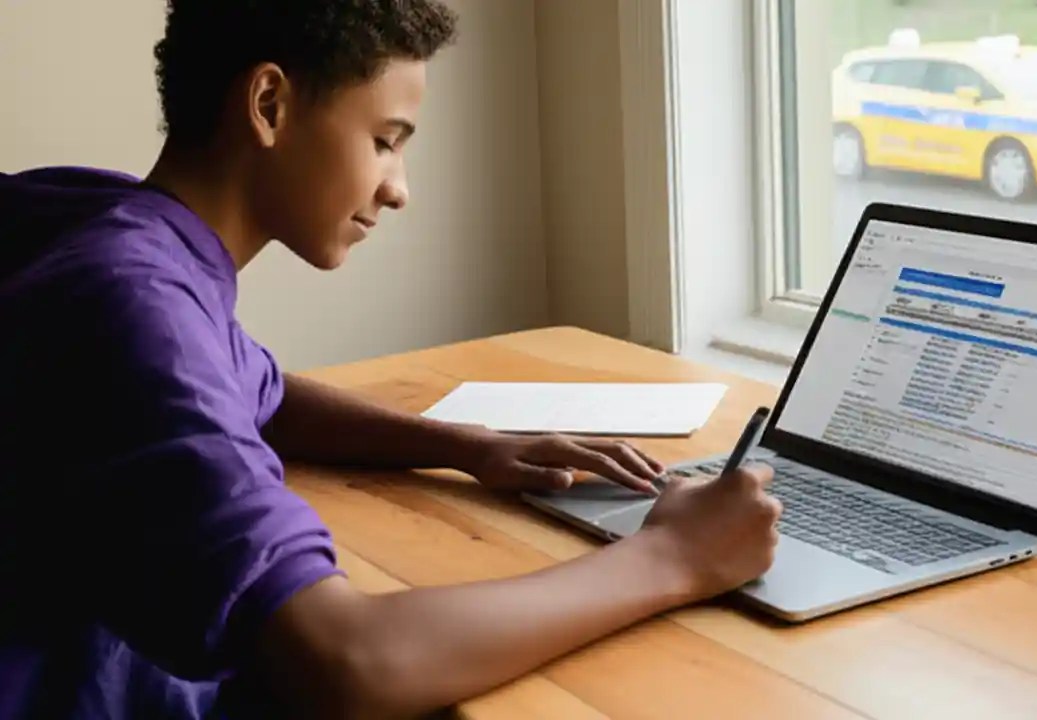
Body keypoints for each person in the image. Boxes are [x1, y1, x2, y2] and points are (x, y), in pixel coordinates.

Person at [0, 1, 782, 718]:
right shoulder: (134, 304)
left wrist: (472, 446)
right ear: (269, 106)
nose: (398, 189)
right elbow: (349, 662)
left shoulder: (100, 224)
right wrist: (675, 557)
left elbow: (253, 392)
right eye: (384, 142)